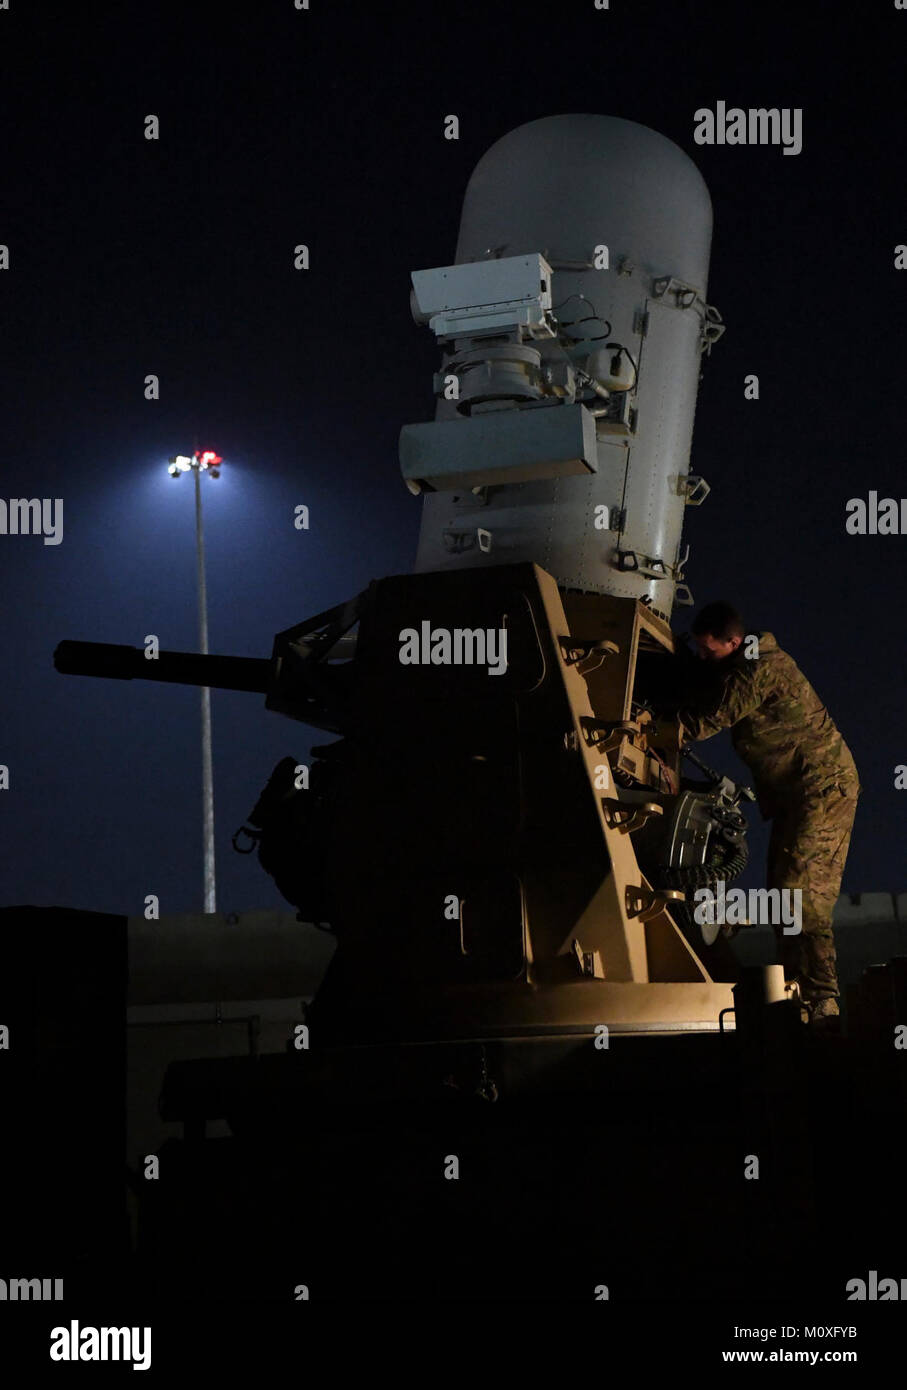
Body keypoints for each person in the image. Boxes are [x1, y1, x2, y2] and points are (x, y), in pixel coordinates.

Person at [674, 601, 860, 1027]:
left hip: (824, 789)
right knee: (781, 895)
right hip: (800, 795)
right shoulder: (742, 661)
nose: (705, 658)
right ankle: (797, 1000)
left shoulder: (760, 667)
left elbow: (710, 718)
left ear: (734, 643)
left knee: (801, 896)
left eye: (709, 650)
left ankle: (822, 1004)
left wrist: (657, 721)